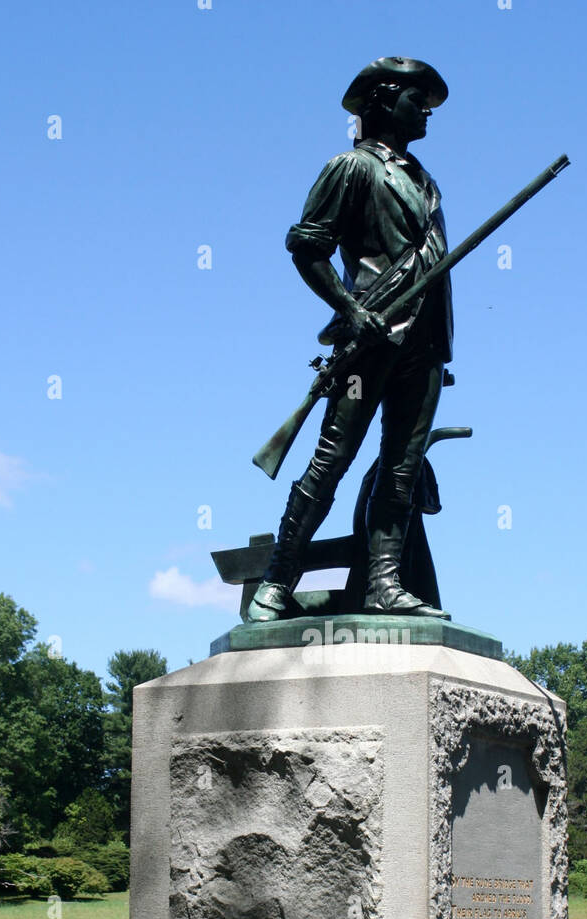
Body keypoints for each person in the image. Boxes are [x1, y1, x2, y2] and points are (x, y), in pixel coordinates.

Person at [247, 56, 454, 623]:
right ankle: (275, 583)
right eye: (418, 99)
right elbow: (307, 245)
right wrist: (349, 308)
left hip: (425, 341)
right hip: (372, 337)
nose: (428, 111)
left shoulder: (425, 180)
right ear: (385, 100)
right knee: (331, 460)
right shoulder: (352, 168)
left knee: (402, 468)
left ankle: (383, 585)